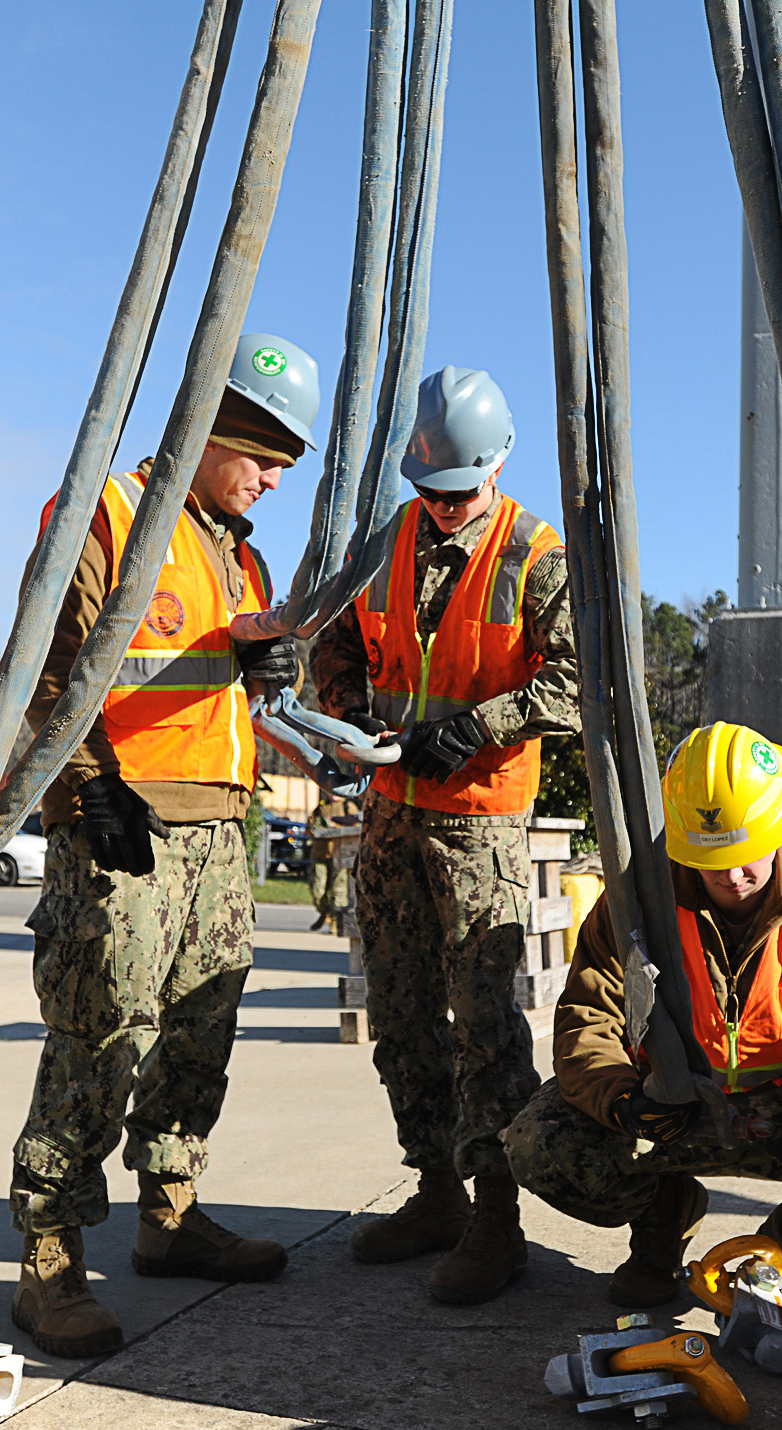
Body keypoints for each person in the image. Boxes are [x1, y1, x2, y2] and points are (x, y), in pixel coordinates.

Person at [5, 333, 321, 1360]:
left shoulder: (237, 549)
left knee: (200, 1027)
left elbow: (215, 682)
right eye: (267, 457)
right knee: (101, 1031)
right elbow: (49, 672)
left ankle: (170, 1214)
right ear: (222, 428)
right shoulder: (106, 516)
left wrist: (273, 665)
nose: (275, 481)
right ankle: (48, 1253)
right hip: (127, 825)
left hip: (221, 826)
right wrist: (90, 793)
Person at [506, 722, 782, 1338]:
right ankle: (665, 1216)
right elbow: (589, 1015)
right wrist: (621, 1099)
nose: (732, 876)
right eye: (711, 860)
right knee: (539, 1144)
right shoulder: (635, 900)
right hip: (672, 1098)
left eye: (745, 853)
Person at [313, 365, 578, 1303]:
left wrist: (470, 730)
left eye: (461, 492)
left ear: (497, 469)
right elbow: (333, 642)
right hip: (390, 813)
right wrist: (346, 720)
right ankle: (435, 1190)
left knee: (489, 1027)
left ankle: (497, 1219)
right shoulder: (389, 539)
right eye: (432, 493)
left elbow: (582, 684)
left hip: (482, 825)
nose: (447, 509)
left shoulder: (535, 555)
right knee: (401, 1012)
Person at [305, 794, 358, 934]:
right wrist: (318, 828)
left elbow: (357, 825)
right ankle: (325, 912)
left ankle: (335, 921)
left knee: (338, 891)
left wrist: (337, 826)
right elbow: (309, 828)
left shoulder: (348, 807)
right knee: (317, 890)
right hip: (320, 854)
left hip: (340, 854)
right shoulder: (320, 808)